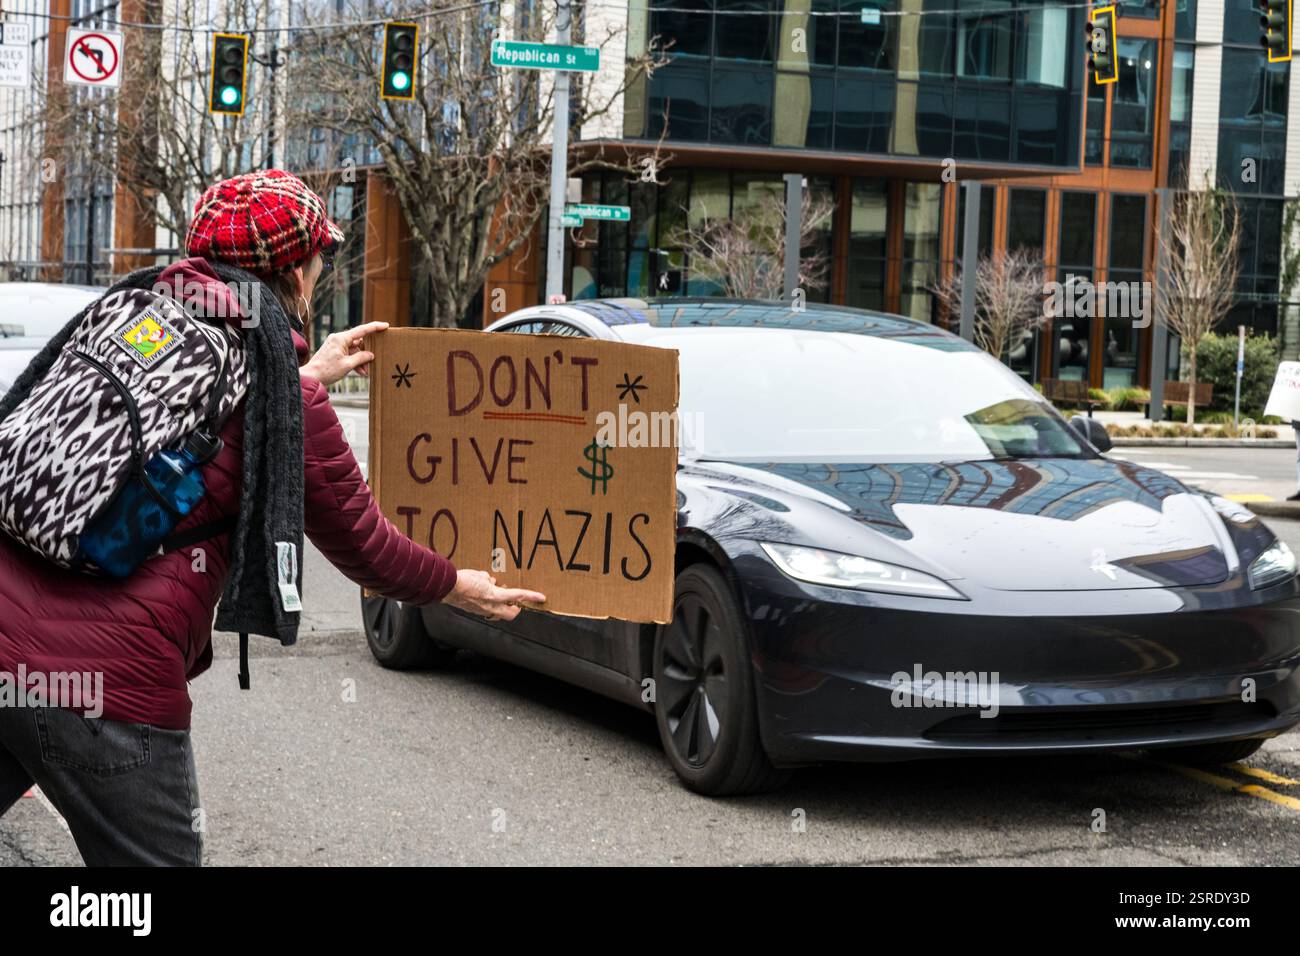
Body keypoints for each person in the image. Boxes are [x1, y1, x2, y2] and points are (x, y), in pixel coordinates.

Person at [0, 170, 544, 865]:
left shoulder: (140, 312)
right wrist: (457, 585)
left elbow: (205, 417)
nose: (320, 270)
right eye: (319, 257)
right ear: (294, 268)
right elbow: (366, 546)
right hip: (108, 686)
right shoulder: (278, 387)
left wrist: (306, 374)